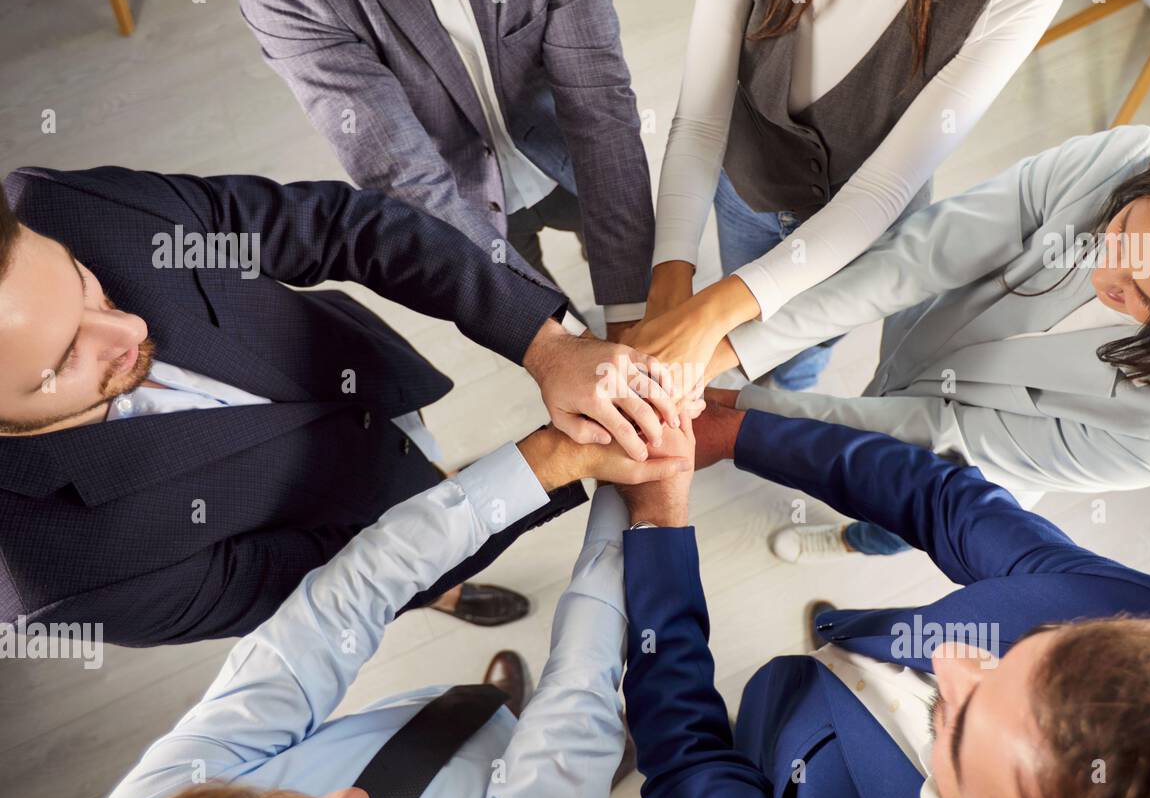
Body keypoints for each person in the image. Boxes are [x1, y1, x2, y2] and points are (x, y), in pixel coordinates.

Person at [0, 165, 676, 645]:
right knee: (413, 558)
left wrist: (545, 344)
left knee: (429, 465)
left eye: (88, 285)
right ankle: (445, 591)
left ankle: (439, 489)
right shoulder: (62, 581)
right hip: (348, 527)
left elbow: (340, 228)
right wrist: (550, 462)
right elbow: (335, 590)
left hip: (369, 377)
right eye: (64, 361)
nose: (131, 330)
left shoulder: (56, 205)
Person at [617, 402, 1150, 798]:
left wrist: (656, 524)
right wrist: (738, 433)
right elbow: (944, 499)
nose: (947, 655)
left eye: (963, 721)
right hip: (808, 687)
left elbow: (687, 762)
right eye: (1034, 646)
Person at [695, 125, 1150, 562]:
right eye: (1121, 233)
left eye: (1142, 295)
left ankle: (849, 542)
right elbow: (921, 256)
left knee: (894, 519)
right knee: (865, 389)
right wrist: (736, 347)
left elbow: (937, 435)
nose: (1104, 272)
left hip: (963, 459)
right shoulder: (1128, 159)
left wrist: (739, 416)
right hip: (921, 343)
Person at [76, 425, 688, 798]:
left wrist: (556, 458)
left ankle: (492, 709)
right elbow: (580, 691)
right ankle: (591, 758)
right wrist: (641, 516)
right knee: (579, 753)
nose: (352, 797)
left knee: (501, 719)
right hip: (546, 797)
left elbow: (336, 607)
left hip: (430, 724)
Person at [626, 0, 1066, 390]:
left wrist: (710, 314)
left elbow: (880, 190)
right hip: (748, 188)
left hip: (867, 223)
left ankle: (787, 388)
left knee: (803, 350)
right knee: (742, 304)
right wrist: (669, 289)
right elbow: (699, 121)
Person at [231, 0, 662, 337]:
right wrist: (568, 349)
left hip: (572, 157)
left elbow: (598, 98)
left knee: (622, 264)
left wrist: (631, 315)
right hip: (459, 207)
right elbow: (401, 171)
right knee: (544, 312)